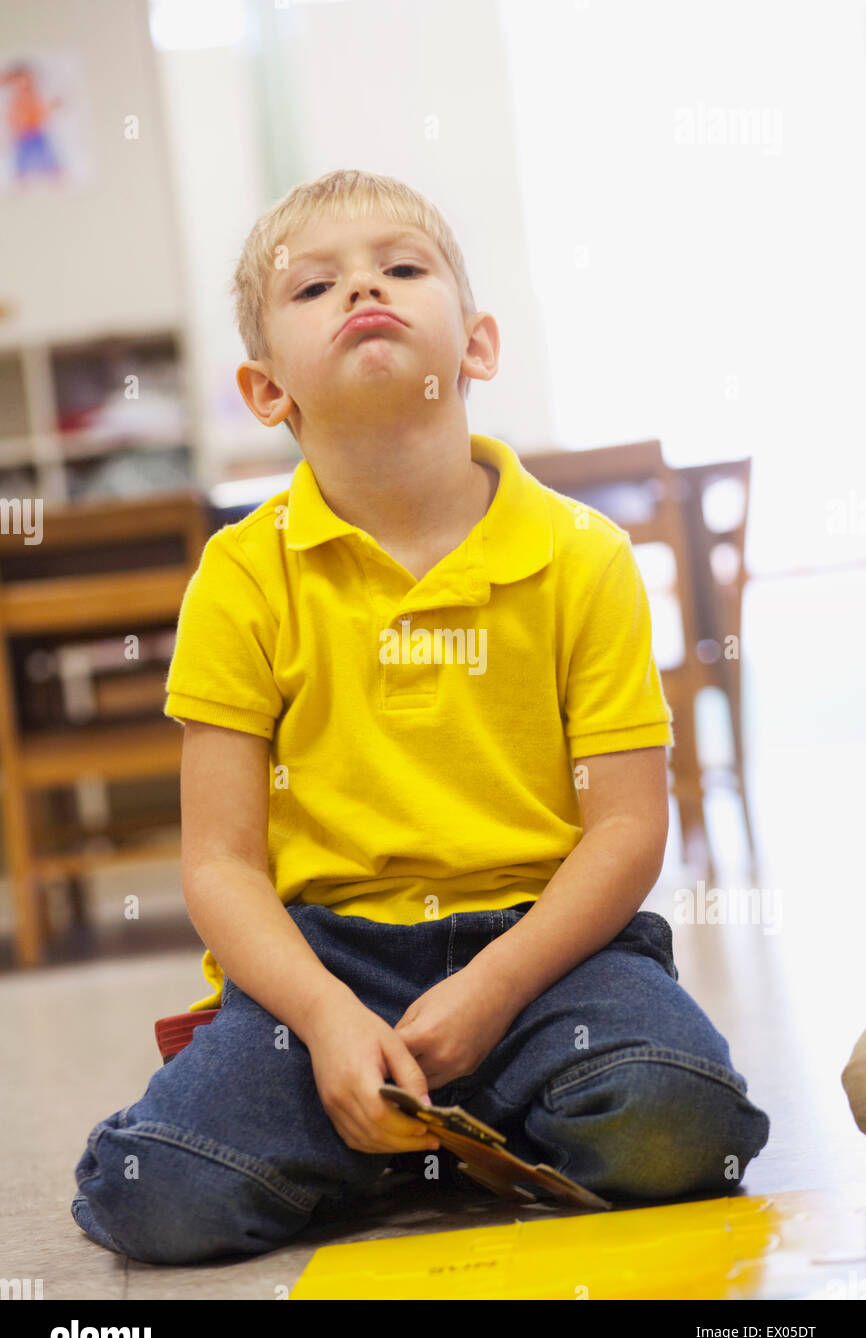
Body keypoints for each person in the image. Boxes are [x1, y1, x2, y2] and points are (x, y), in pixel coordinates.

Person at [71, 169, 770, 1265]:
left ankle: (414, 1131)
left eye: (401, 267)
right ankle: (393, 1119)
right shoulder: (241, 577)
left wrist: (494, 986)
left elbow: (629, 830)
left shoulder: (582, 556)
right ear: (265, 391)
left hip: (552, 954)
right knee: (150, 1193)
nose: (364, 290)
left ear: (476, 346)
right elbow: (217, 863)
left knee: (674, 1121)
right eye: (316, 288)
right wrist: (324, 1019)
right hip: (324, 970)